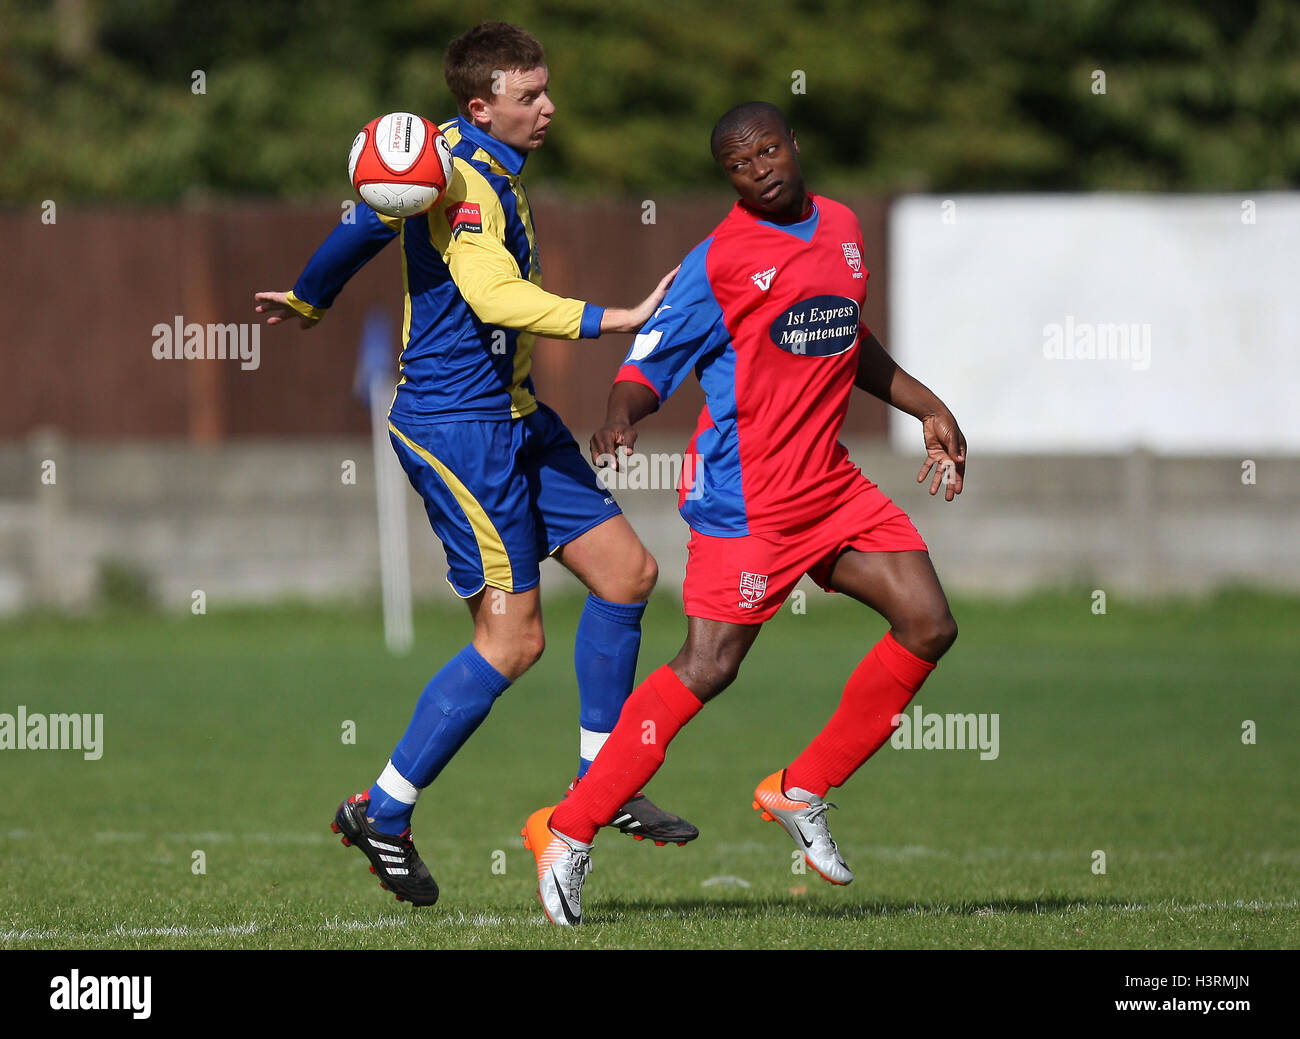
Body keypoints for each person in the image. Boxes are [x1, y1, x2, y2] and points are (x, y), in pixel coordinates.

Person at [254, 21, 696, 909]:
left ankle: (597, 788)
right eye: (530, 95)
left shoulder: (441, 158)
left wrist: (311, 294)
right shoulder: (461, 184)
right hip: (459, 431)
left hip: (516, 417)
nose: (549, 107)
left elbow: (365, 220)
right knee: (513, 637)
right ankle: (382, 809)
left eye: (545, 89)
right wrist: (619, 318)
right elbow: (494, 294)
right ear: (479, 105)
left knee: (627, 574)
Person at [522, 101, 967, 926]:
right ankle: (566, 828)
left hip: (830, 486)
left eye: (768, 149)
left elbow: (844, 333)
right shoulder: (720, 260)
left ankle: (800, 788)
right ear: (726, 177)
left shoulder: (840, 226)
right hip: (748, 498)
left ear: (794, 145)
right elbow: (650, 357)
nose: (759, 166)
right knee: (709, 665)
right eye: (738, 162)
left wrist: (926, 404)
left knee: (928, 622)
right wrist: (624, 414)